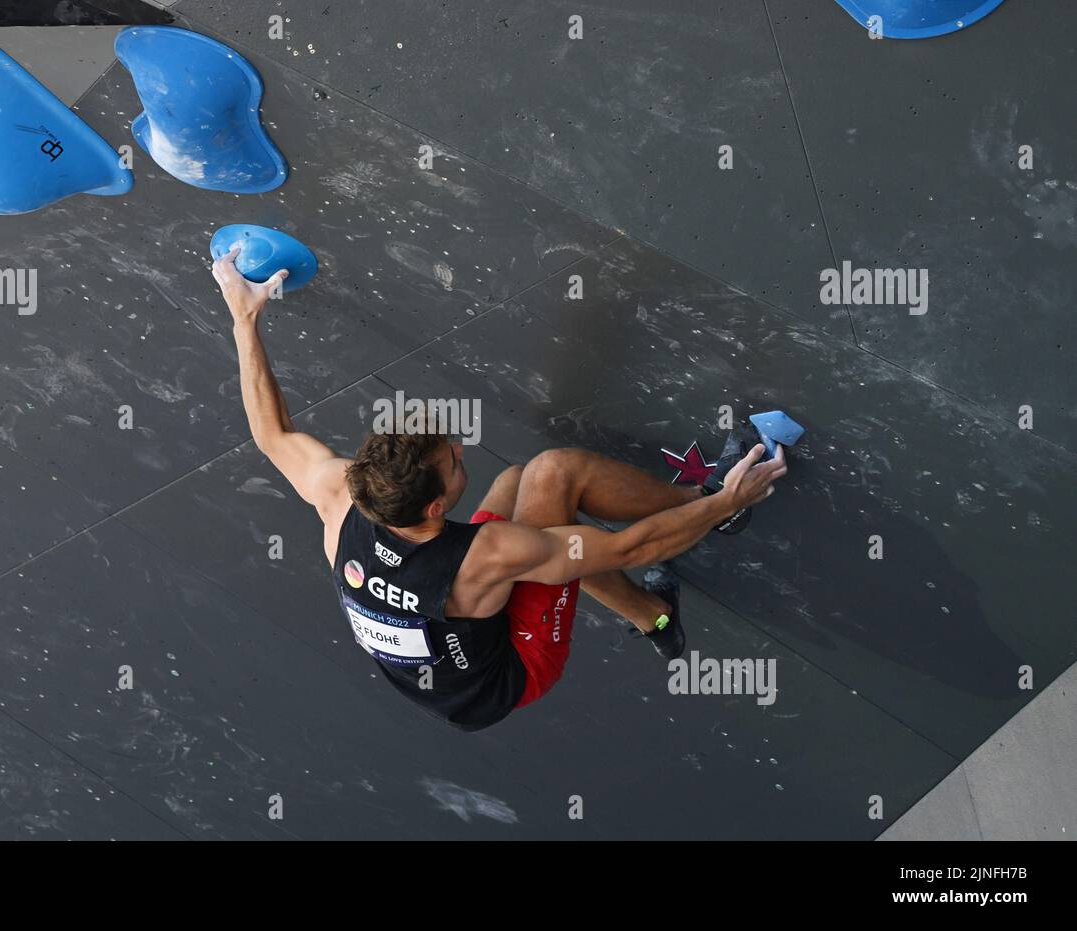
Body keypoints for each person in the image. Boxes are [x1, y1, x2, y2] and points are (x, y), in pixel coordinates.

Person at [213, 250, 787, 731]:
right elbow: (629, 549)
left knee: (515, 483)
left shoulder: (342, 501)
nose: (462, 448)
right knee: (555, 476)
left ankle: (655, 618)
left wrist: (244, 319)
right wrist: (724, 503)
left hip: (437, 663)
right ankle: (706, 502)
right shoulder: (486, 557)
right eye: (456, 462)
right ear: (436, 508)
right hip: (507, 672)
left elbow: (273, 434)